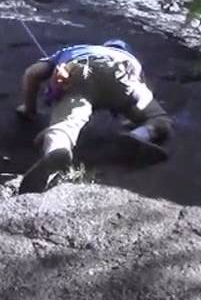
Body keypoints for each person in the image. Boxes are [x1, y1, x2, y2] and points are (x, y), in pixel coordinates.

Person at [15, 39, 172, 194]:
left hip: (80, 71)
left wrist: (29, 109)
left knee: (65, 126)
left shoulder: (76, 49)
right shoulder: (129, 58)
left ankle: (56, 151)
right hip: (124, 73)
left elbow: (32, 73)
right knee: (160, 119)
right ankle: (138, 135)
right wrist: (132, 118)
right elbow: (145, 95)